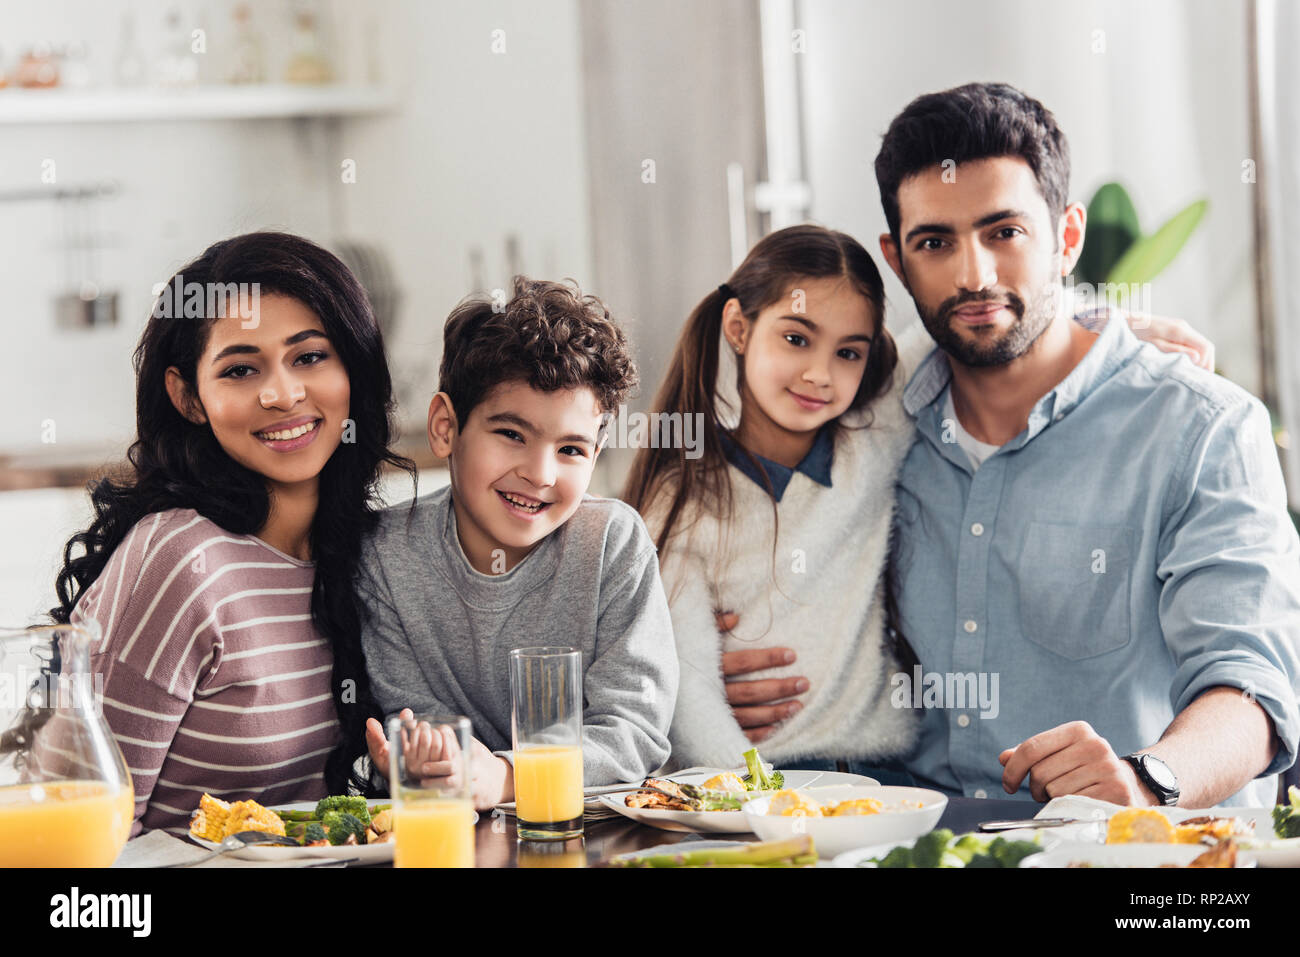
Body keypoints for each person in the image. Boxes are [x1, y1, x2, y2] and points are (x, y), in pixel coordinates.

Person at [874, 82, 1300, 806]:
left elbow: (1251, 684)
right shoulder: (873, 428)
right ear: (897, 259)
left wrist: (1148, 778)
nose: (973, 275)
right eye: (935, 242)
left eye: (1004, 232)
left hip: (1136, 863)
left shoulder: (1202, 427)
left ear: (1067, 238)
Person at [52, 231, 414, 836]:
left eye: (309, 356)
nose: (282, 394)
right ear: (189, 397)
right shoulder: (178, 561)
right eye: (242, 369)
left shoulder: (364, 555)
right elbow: (80, 839)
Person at [357, 277, 678, 809]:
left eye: (572, 449)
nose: (540, 473)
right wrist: (425, 758)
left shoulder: (612, 545)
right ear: (445, 427)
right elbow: (409, 717)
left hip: (594, 835)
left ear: (597, 453)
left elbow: (633, 731)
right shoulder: (386, 553)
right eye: (511, 434)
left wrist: (508, 776)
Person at [622, 225, 919, 779]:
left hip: (886, 776)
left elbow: (950, 335)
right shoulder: (687, 500)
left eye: (848, 352)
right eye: (797, 339)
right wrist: (759, 798)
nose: (820, 374)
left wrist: (1116, 322)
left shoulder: (873, 440)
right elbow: (689, 690)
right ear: (739, 326)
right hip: (761, 784)